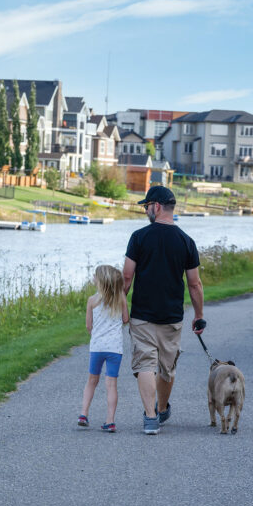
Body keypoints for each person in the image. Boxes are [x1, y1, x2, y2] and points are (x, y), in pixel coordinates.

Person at [122, 185, 205, 435]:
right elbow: (194, 283)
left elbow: (127, 277)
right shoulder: (186, 241)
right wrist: (199, 316)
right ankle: (161, 407)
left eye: (147, 206)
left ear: (156, 207)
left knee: (145, 364)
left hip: (142, 315)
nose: (146, 210)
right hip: (171, 317)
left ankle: (150, 417)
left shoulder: (138, 237)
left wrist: (117, 306)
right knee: (167, 368)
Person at [77, 264, 130, 433]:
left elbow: (88, 326)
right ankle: (110, 420)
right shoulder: (120, 298)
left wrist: (97, 334)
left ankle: (83, 414)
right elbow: (126, 319)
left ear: (100, 281)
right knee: (111, 384)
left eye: (95, 276)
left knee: (92, 381)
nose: (93, 277)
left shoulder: (92, 301)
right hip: (115, 348)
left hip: (97, 347)